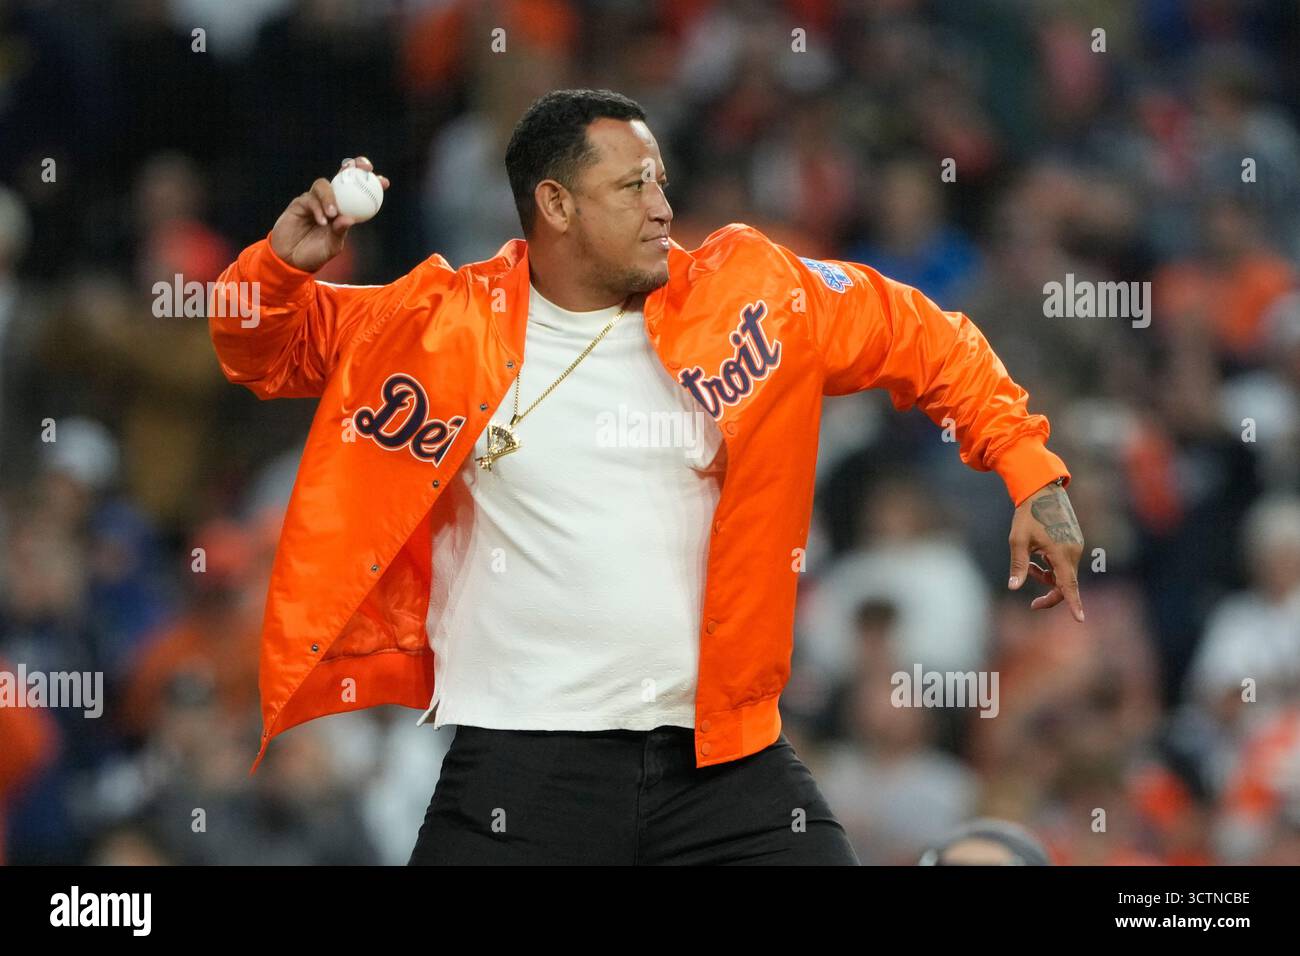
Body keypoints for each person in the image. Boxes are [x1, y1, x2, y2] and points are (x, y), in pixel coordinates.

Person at [208, 88, 1085, 865]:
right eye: (633, 187)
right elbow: (261, 348)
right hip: (522, 767)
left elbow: (929, 340)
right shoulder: (438, 324)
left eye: (661, 180)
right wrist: (280, 269)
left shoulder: (752, 296)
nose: (663, 207)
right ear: (554, 203)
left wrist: (1031, 473)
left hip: (723, 763)